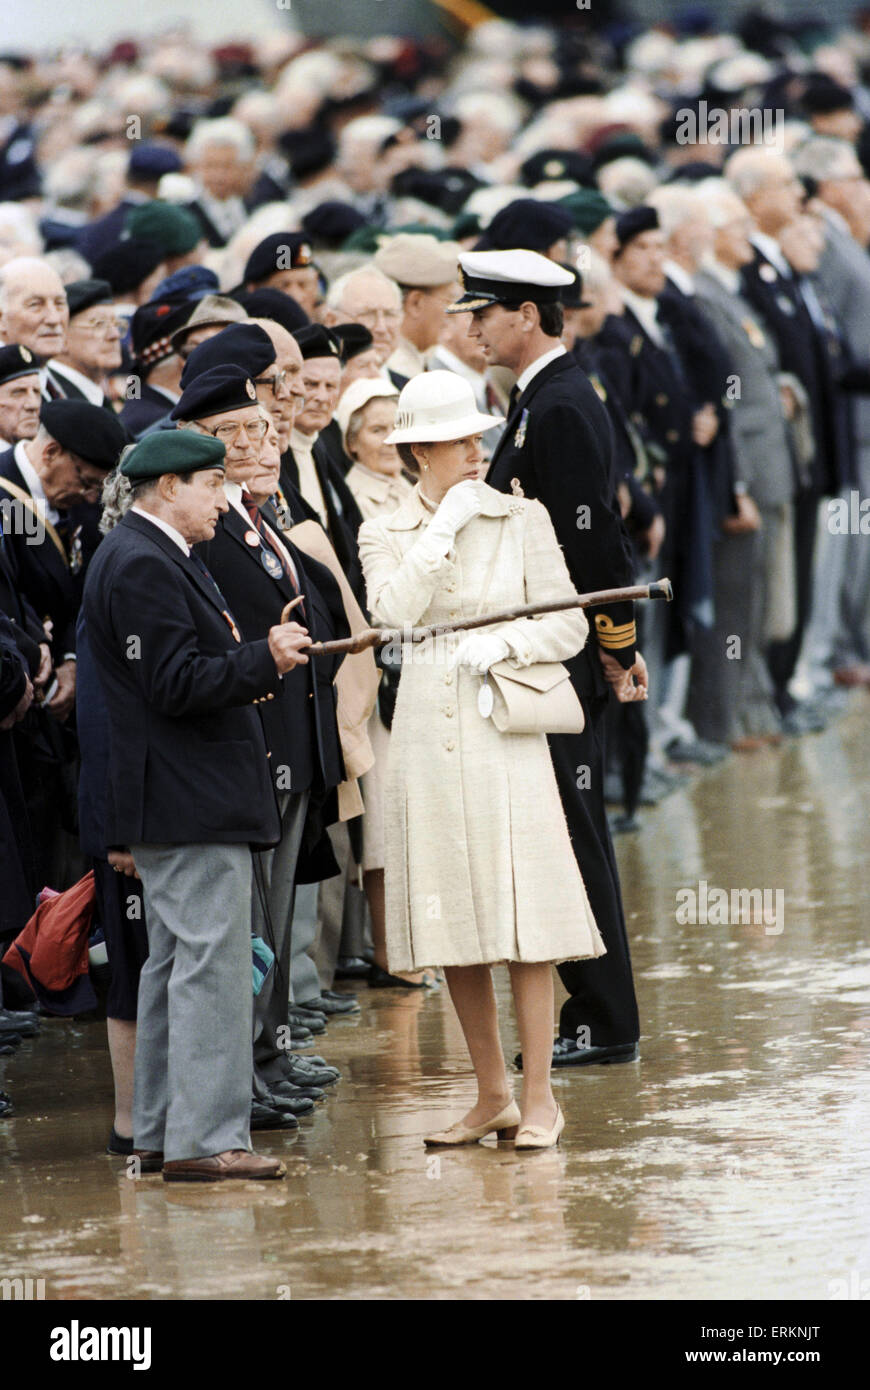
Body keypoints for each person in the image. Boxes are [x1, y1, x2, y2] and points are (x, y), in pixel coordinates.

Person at [359, 370, 605, 1151]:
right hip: (427, 738)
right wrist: (444, 528)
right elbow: (389, 617)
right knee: (454, 919)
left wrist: (504, 642)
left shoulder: (522, 516)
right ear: (420, 450)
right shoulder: (384, 528)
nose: (476, 450)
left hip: (504, 731)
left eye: (478, 437)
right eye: (460, 440)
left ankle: (540, 1099)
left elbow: (568, 627)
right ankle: (491, 1093)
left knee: (523, 912)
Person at [82, 427, 312, 1182]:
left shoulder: (150, 553)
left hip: (179, 800)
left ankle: (157, 1131)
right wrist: (263, 659)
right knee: (211, 965)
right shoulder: (143, 561)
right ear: (169, 487)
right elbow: (175, 683)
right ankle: (208, 1139)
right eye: (213, 483)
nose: (227, 496)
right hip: (187, 801)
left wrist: (250, 655)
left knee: (176, 962)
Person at [449, 248, 644, 1070]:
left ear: (527, 315)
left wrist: (615, 643)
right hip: (551, 647)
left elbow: (592, 539)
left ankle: (604, 1018)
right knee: (564, 829)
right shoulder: (542, 398)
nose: (473, 327)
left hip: (561, 654)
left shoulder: (558, 403)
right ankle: (596, 1010)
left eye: (484, 313)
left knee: (572, 833)